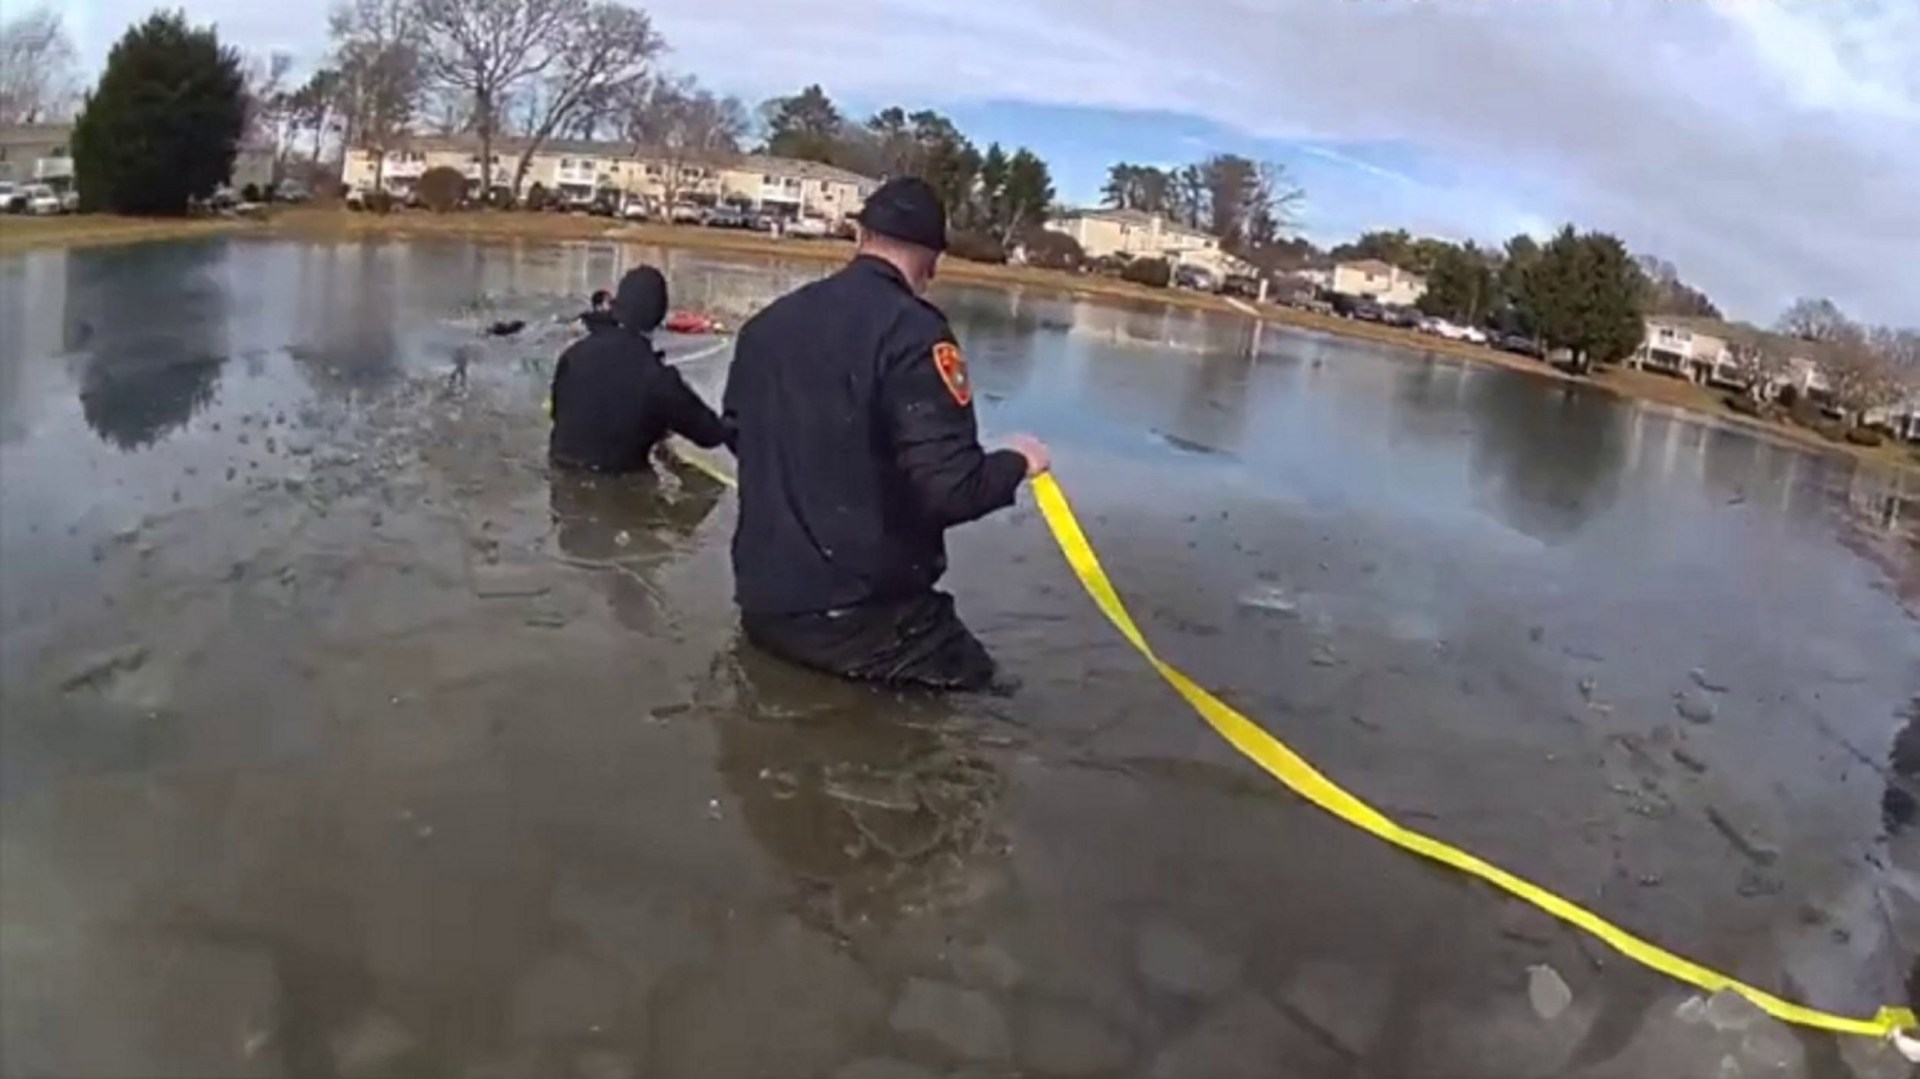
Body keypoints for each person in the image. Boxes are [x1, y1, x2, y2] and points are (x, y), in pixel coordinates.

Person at [721, 176, 1050, 692]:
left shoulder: (765, 326)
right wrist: (1018, 461)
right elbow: (952, 489)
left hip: (763, 605)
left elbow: (740, 434)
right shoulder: (915, 334)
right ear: (933, 260)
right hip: (868, 624)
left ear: (858, 236)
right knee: (1009, 704)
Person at [548, 265, 731, 473]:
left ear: (617, 306)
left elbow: (557, 414)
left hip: (561, 476)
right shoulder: (659, 379)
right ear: (659, 316)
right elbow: (710, 435)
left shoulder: (574, 355)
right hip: (619, 488)